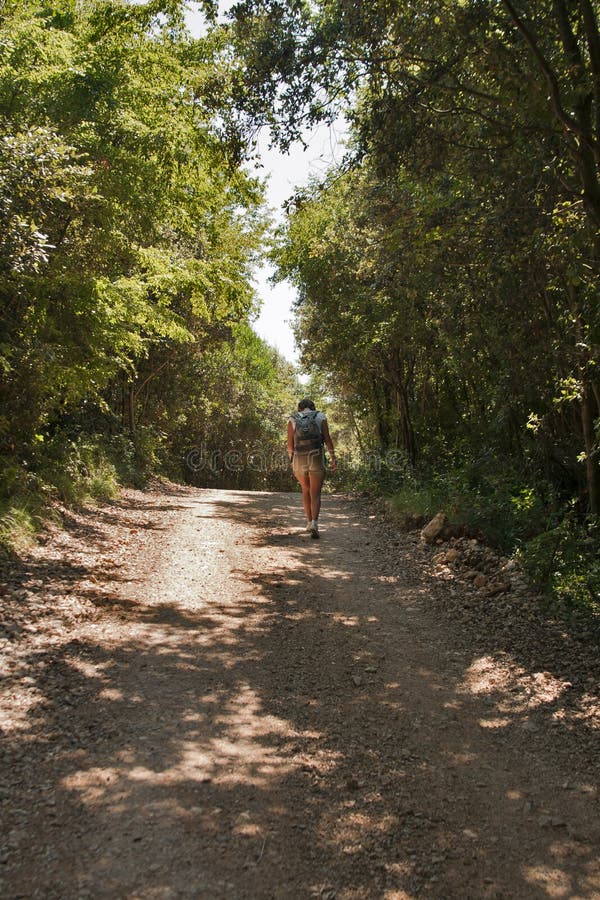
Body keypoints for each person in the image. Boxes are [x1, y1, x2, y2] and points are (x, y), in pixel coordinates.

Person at [287, 398, 336, 539]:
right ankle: (315, 523)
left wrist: (292, 461)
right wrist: (333, 458)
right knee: (315, 492)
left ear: (300, 408)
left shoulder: (293, 418)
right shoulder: (320, 416)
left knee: (305, 490)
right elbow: (327, 439)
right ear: (313, 407)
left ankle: (308, 522)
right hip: (316, 457)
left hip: (299, 458)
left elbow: (290, 445)